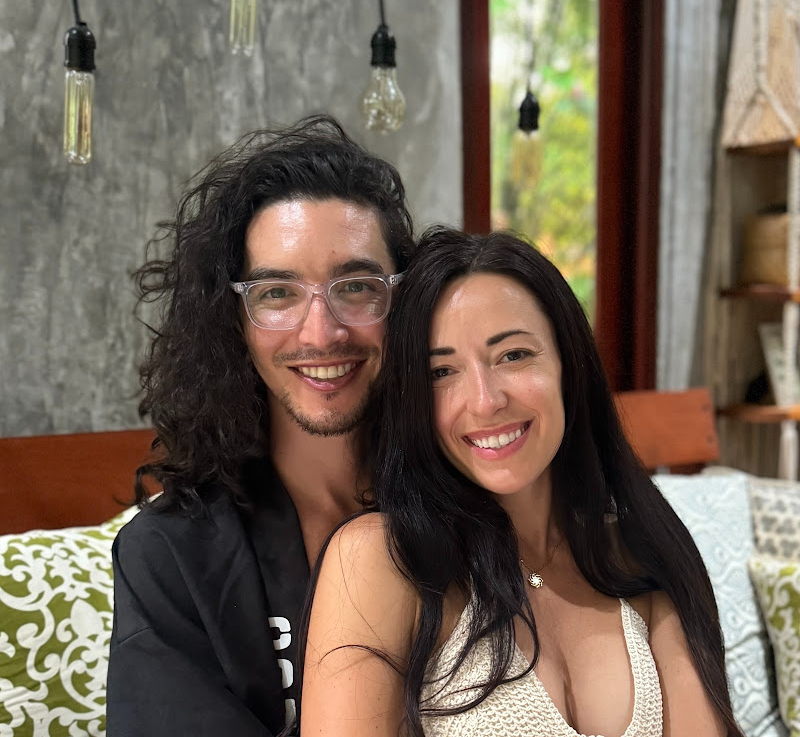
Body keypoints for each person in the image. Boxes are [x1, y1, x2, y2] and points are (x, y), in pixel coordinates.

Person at [300, 227, 744, 737]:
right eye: (441, 372)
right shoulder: (381, 560)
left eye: (513, 355)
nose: (485, 401)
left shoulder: (637, 554)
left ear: (568, 365)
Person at [106, 115, 415, 736]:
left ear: (407, 299)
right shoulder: (172, 554)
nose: (322, 332)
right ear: (233, 320)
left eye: (357, 286)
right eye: (277, 293)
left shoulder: (471, 501)